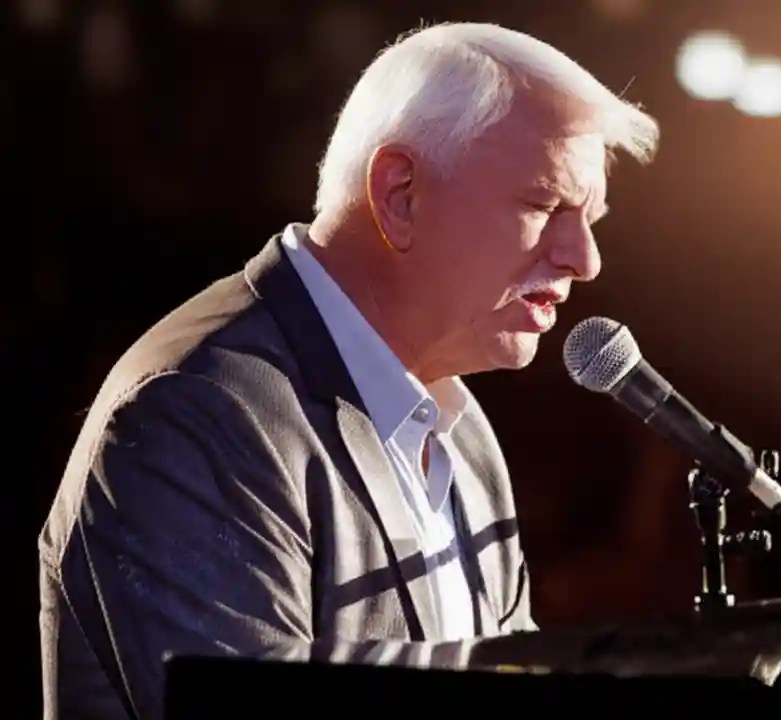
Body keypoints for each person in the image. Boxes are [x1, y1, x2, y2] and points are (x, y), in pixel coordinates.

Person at [38, 21, 659, 720]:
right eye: (546, 204)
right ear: (400, 195)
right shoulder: (198, 412)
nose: (585, 258)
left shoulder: (464, 433)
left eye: (592, 217)